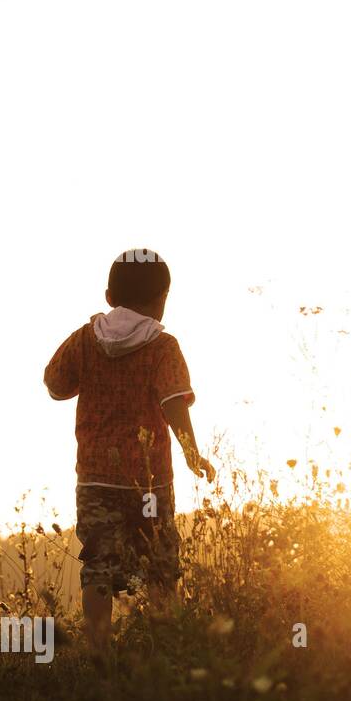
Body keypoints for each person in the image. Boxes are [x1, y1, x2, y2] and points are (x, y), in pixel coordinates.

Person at [44, 249, 215, 652]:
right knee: (158, 565)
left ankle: (100, 655)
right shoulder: (162, 346)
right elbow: (173, 403)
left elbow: (55, 385)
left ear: (108, 296)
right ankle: (165, 649)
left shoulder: (85, 340)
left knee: (99, 567)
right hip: (150, 485)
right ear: (163, 299)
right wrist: (192, 453)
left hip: (96, 480)